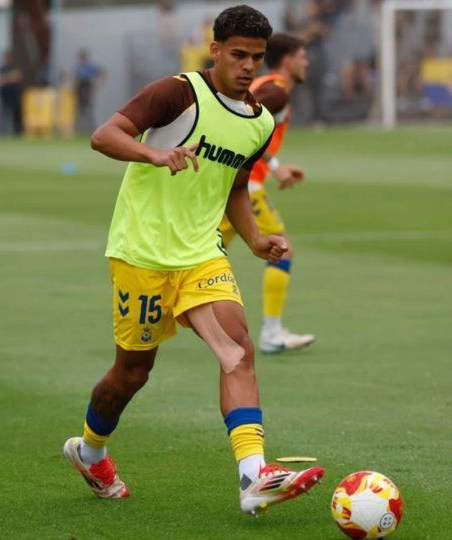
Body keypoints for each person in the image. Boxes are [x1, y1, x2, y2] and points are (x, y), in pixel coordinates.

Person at [62, 5, 324, 516]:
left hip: (202, 254)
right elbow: (104, 136)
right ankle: (90, 451)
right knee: (132, 373)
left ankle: (254, 477)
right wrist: (154, 154)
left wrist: (253, 240)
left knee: (238, 350)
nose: (248, 66)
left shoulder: (259, 120)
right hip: (140, 252)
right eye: (238, 54)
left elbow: (237, 186)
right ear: (216, 50)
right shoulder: (178, 92)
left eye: (256, 57)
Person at [219, 33, 315, 354]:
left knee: (201, 250)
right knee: (282, 250)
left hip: (232, 184)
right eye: (303, 56)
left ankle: (155, 309)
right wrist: (274, 168)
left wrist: (276, 165)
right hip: (245, 186)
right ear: (288, 61)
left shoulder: (266, 86)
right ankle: (272, 333)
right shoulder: (275, 93)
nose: (307, 62)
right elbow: (245, 128)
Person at [73, 49, 104, 134]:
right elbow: (75, 77)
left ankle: (90, 128)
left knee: (89, 107)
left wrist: (98, 82)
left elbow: (101, 73)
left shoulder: (91, 66)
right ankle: (79, 128)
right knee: (80, 107)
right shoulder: (78, 66)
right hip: (80, 87)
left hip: (88, 86)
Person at [0, 50, 23, 136]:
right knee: (4, 115)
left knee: (16, 116)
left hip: (14, 95)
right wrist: (11, 77)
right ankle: (3, 133)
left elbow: (18, 78)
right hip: (5, 96)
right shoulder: (2, 68)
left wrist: (8, 77)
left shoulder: (15, 67)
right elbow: (1, 81)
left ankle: (17, 133)